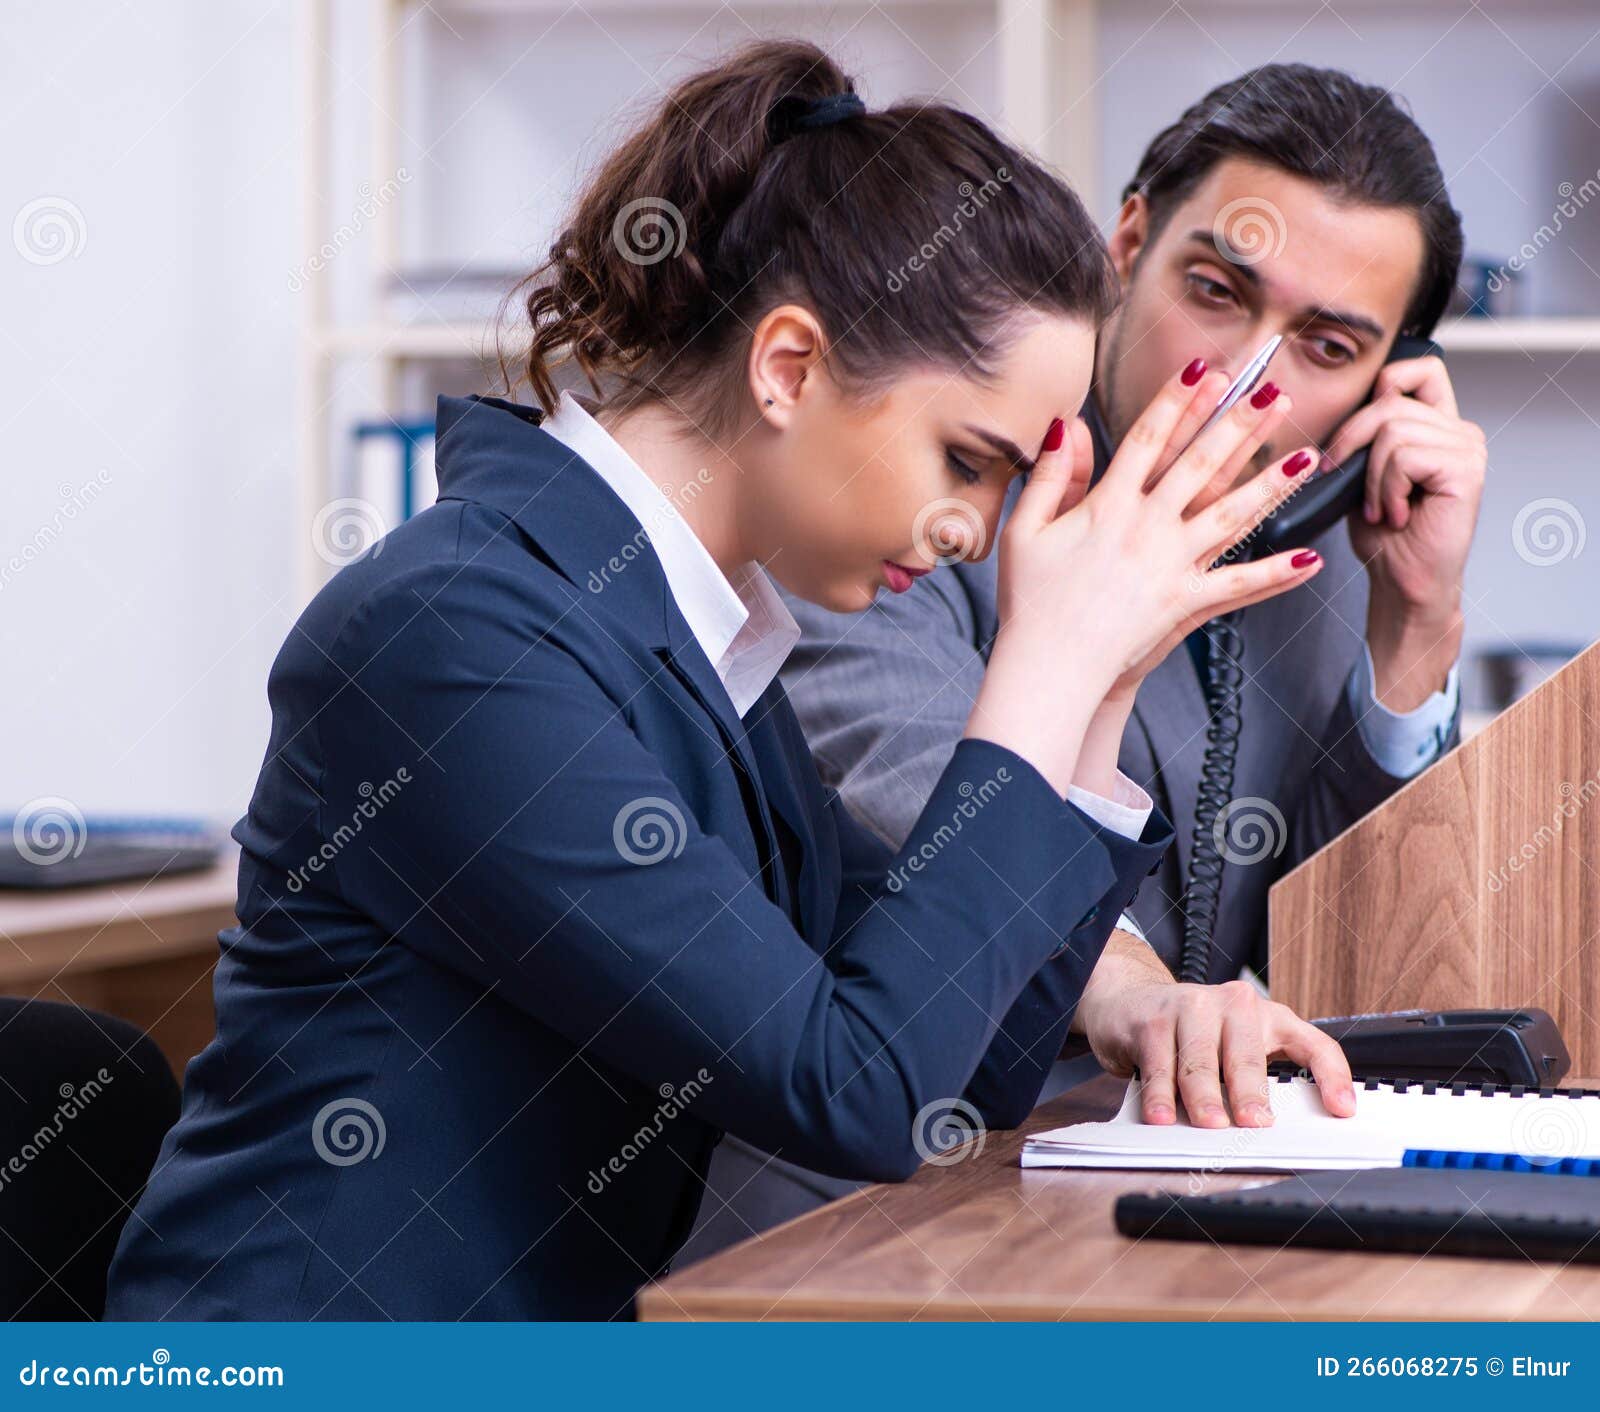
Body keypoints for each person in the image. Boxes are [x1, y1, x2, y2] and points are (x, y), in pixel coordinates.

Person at [103, 40, 1351, 1323]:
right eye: (967, 461)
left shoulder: (706, 641)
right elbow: (852, 1087)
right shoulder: (459, 634)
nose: (978, 528)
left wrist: (1096, 697)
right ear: (789, 367)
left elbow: (943, 1069)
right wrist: (1047, 662)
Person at [690, 63, 1482, 1252]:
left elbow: (1355, 965)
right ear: (1127, 243)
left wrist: (1415, 626)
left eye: (1326, 347)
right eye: (1215, 291)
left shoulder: (1320, 562)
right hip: (851, 1227)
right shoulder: (926, 489)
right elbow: (898, 770)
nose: (1250, 381)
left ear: (1387, 382)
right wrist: (1123, 984)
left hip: (1163, 1221)